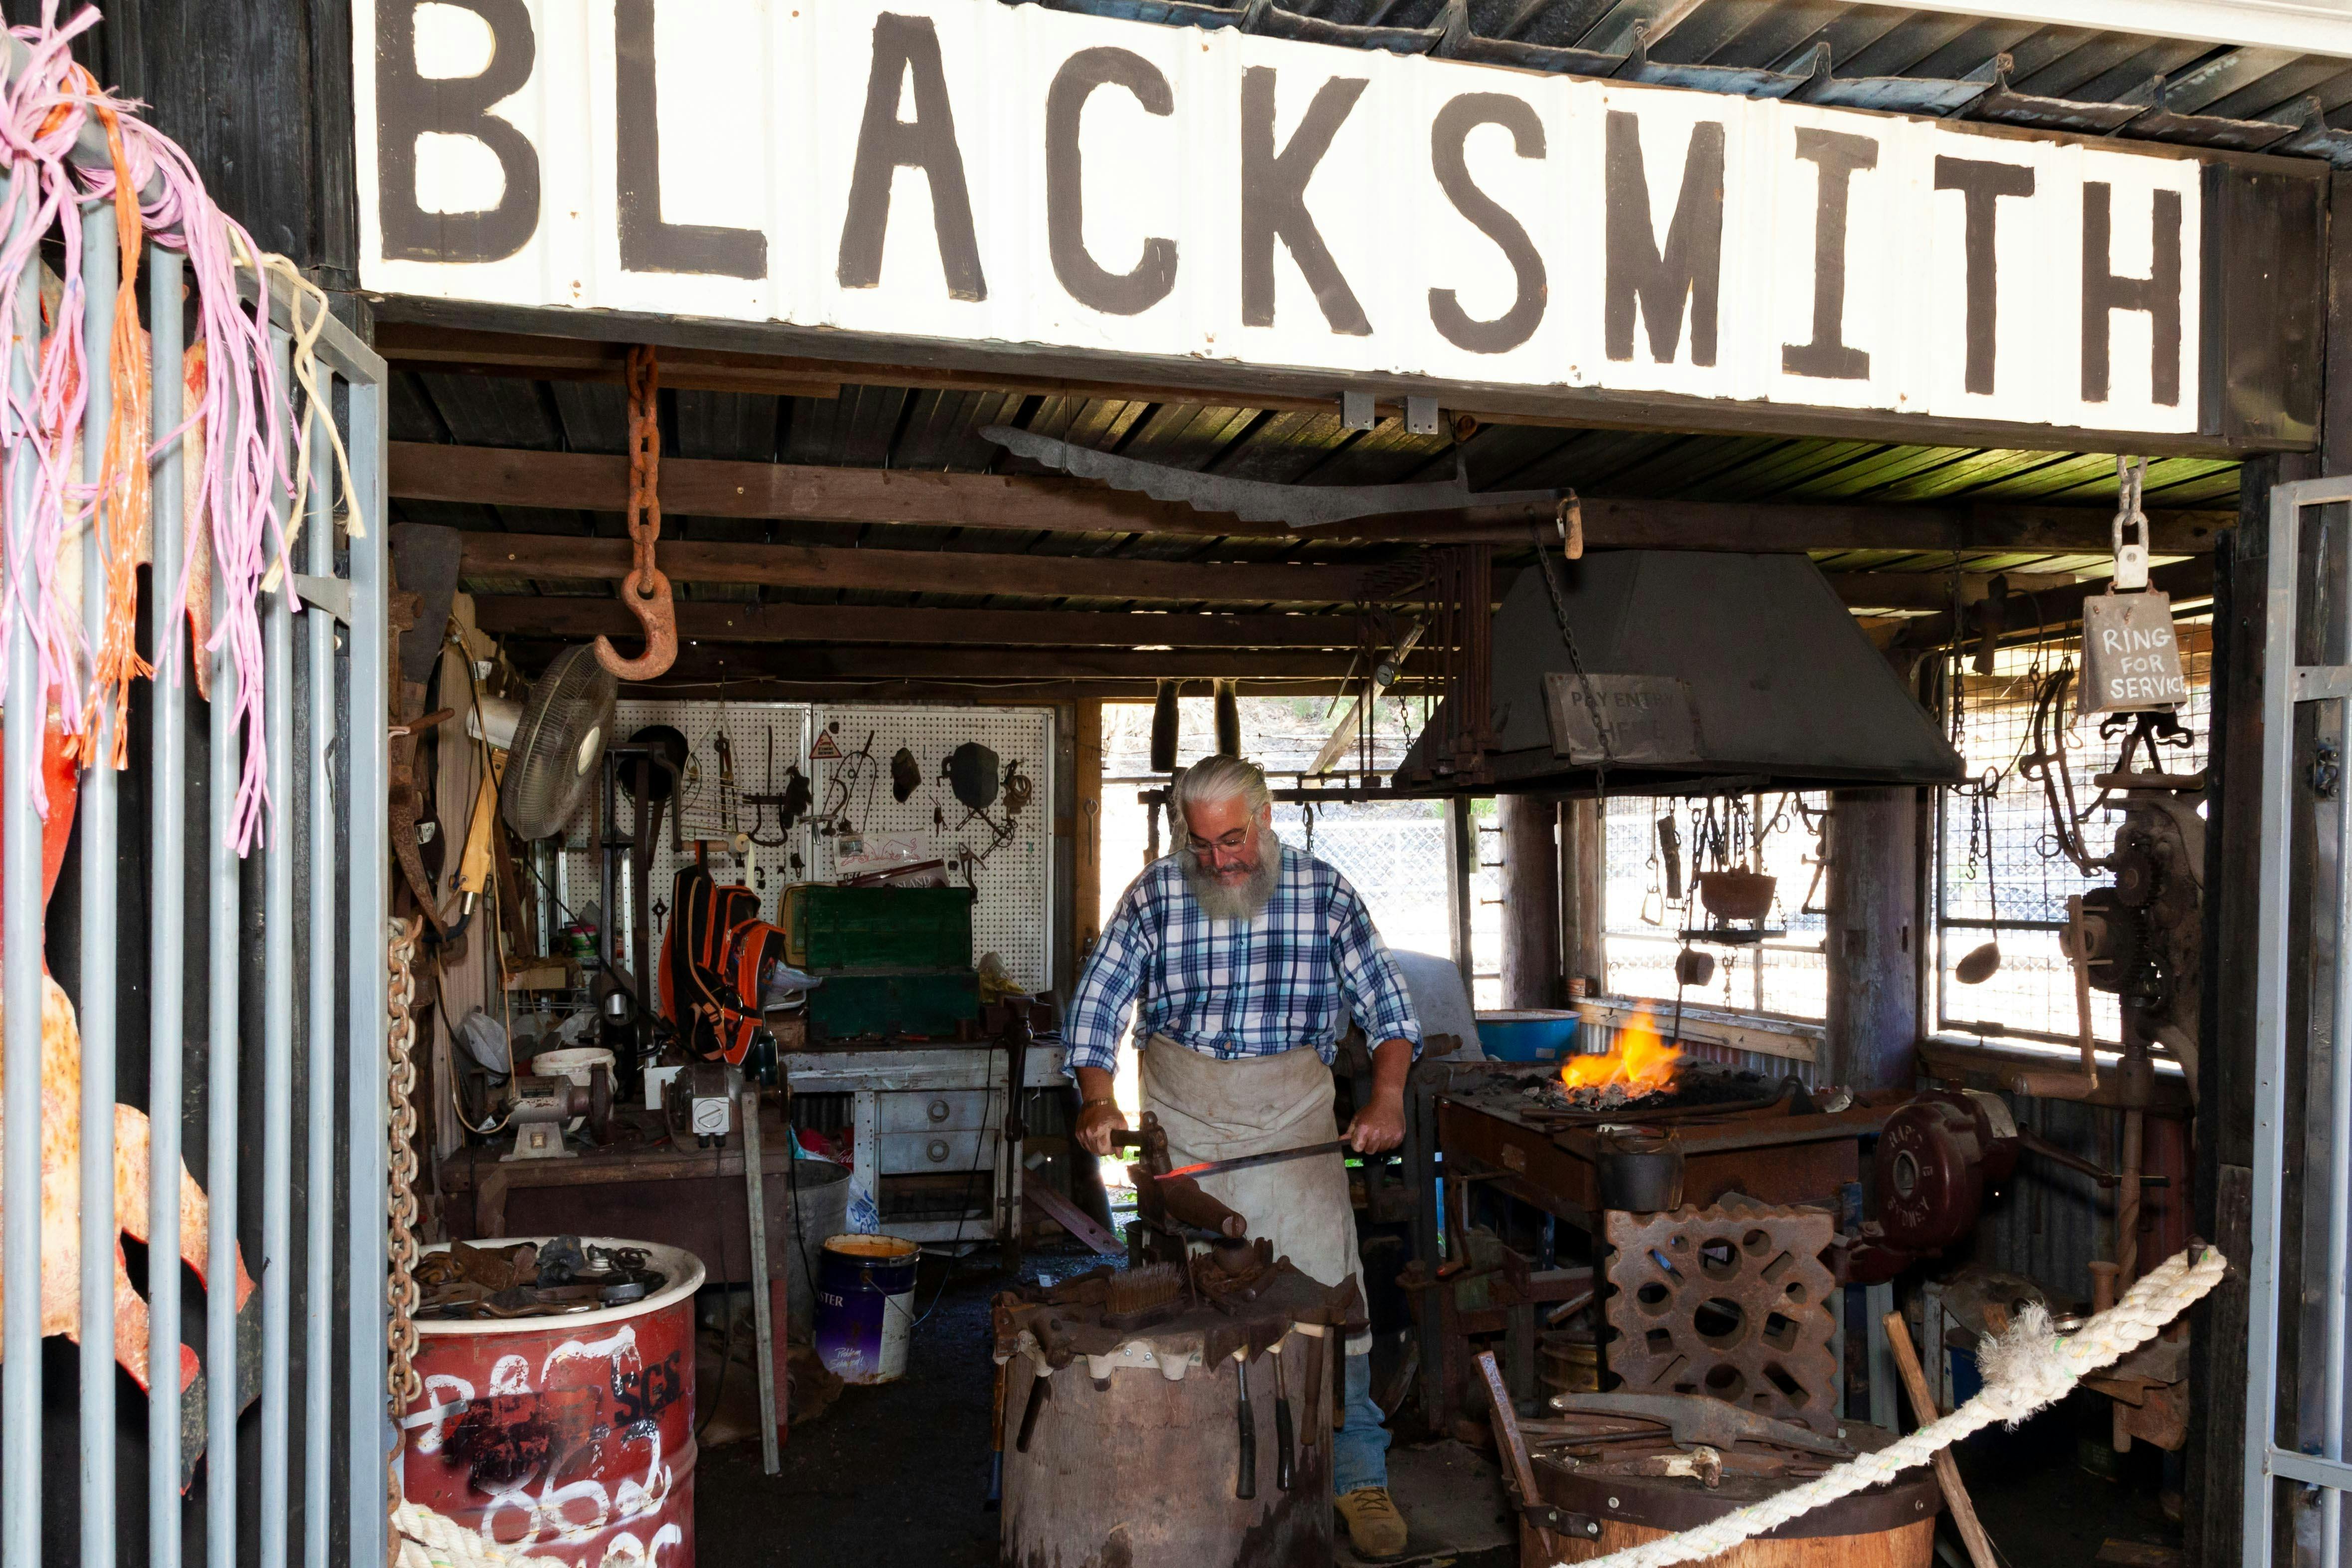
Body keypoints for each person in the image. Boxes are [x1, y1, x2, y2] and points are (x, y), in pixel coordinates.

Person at [1067, 753, 1421, 1561]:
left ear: (1264, 821)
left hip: (1294, 1115)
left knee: (1334, 1292)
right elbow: (1097, 1010)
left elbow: (1391, 1011)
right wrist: (1096, 1098)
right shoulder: (1157, 894)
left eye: (1233, 841)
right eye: (1203, 846)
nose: (1219, 861)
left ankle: (1358, 1476)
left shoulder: (1325, 894)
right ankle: (1213, 1465)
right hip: (1188, 1118)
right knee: (1204, 1300)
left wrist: (1388, 1098)